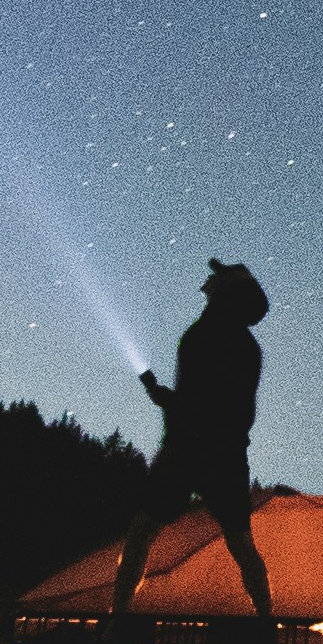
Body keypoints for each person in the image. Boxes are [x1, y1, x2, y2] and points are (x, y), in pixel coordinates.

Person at [103, 258, 279, 624]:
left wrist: (167, 399)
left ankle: (117, 620)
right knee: (240, 542)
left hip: (186, 452)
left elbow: (199, 401)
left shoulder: (201, 337)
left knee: (141, 535)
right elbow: (226, 405)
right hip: (226, 454)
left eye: (214, 288)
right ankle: (266, 623)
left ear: (224, 296)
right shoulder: (247, 347)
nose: (207, 292)